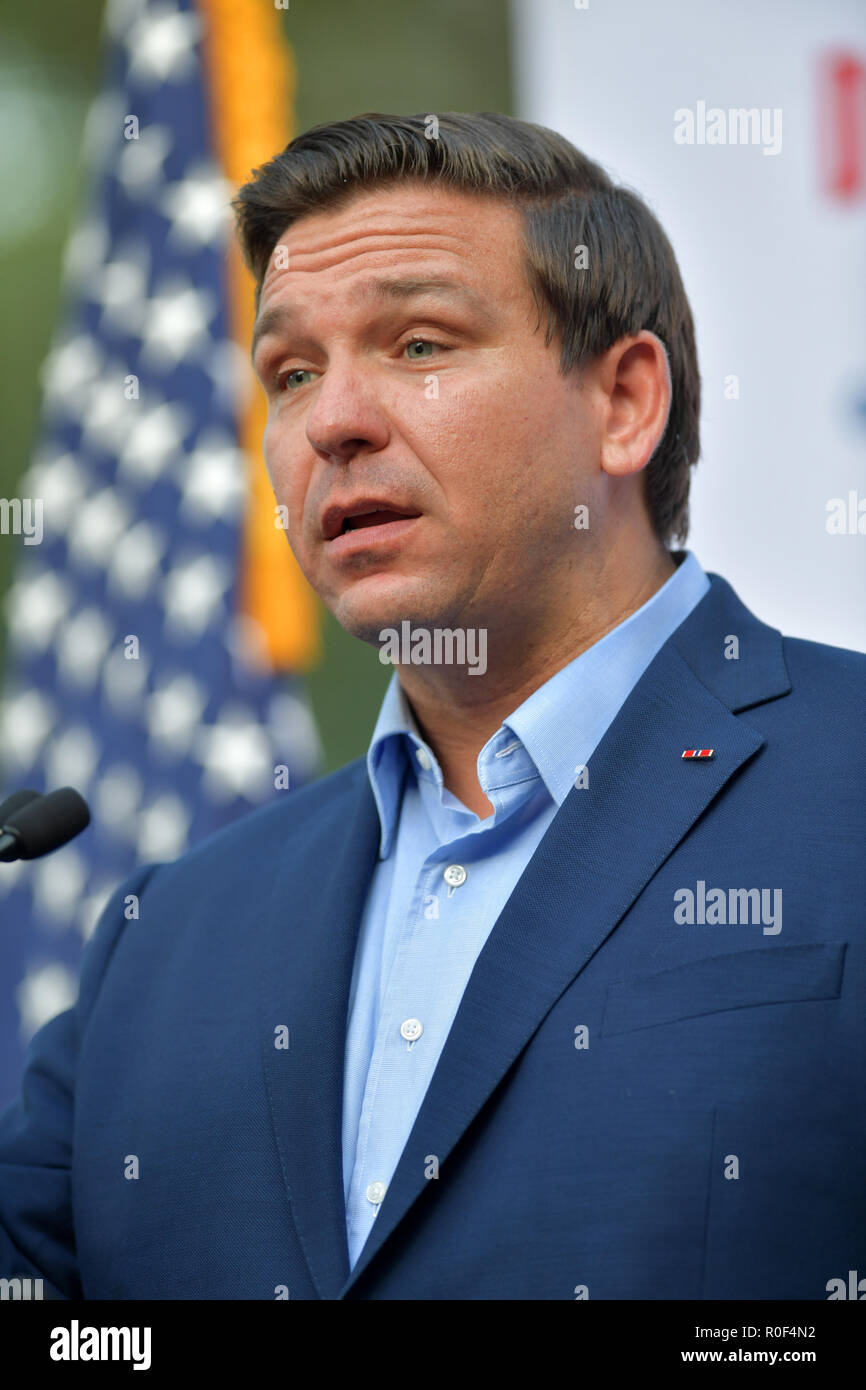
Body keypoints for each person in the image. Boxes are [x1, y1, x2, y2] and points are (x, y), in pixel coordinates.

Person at [1, 112, 863, 1301]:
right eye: (290, 374)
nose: (333, 422)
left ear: (621, 401)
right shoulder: (166, 936)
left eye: (417, 342)